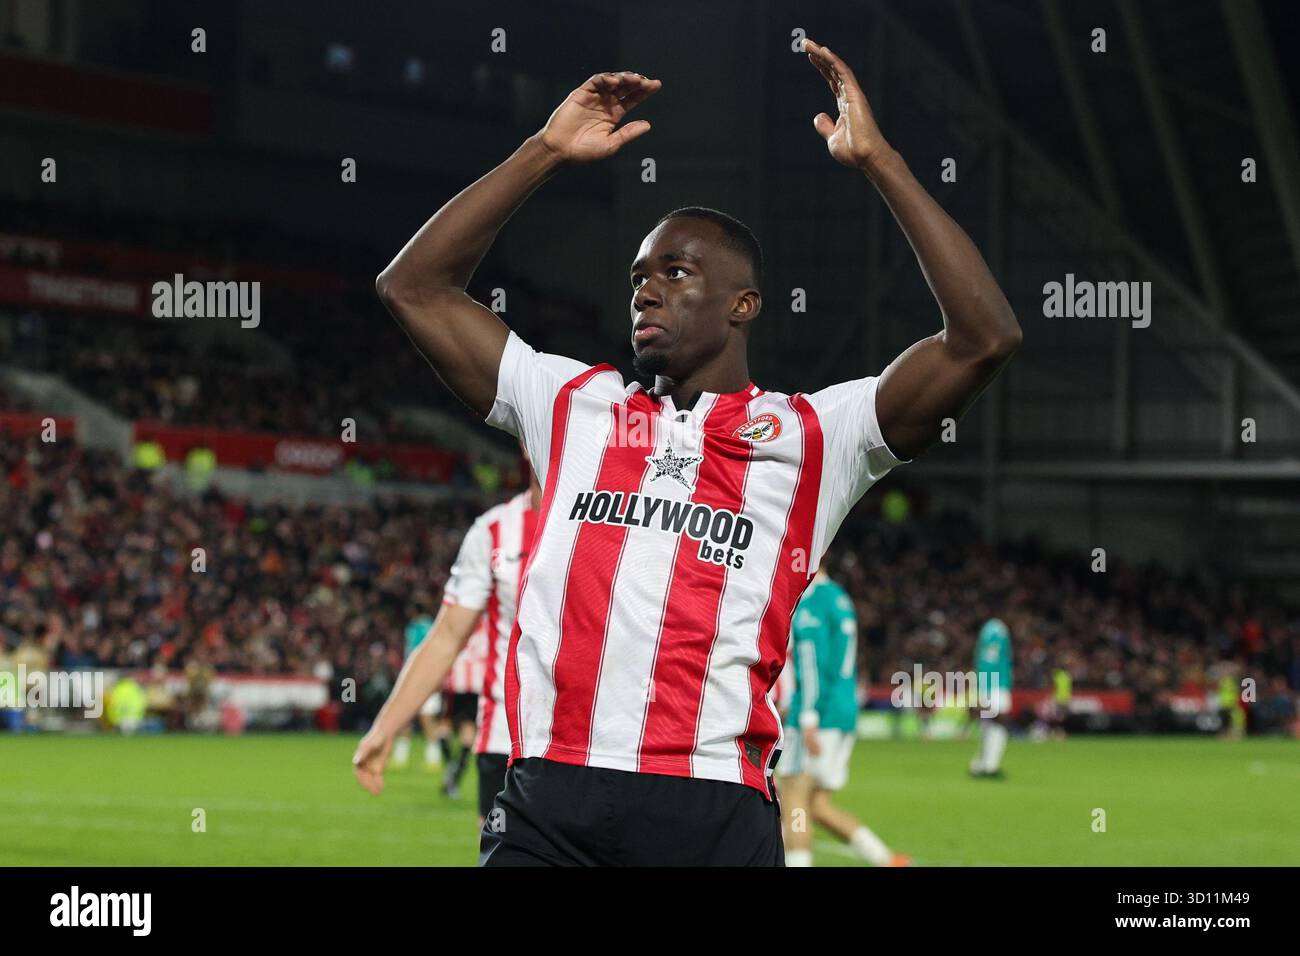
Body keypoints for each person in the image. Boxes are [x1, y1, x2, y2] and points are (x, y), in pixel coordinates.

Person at [371, 38, 1020, 866]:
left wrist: (880, 161)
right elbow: (412, 286)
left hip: (712, 807)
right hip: (550, 797)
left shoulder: (817, 434)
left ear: (743, 303)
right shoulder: (573, 405)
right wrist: (544, 152)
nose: (646, 287)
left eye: (676, 272)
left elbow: (983, 339)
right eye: (639, 274)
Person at [355, 466, 541, 825]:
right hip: (507, 741)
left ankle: (450, 767)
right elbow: (446, 637)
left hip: (600, 749)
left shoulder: (623, 519)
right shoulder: (493, 531)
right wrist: (383, 729)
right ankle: (451, 768)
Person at [778, 562, 909, 867]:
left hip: (817, 714)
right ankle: (886, 859)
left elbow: (813, 665)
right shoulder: (839, 598)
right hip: (843, 713)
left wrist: (809, 717)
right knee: (818, 805)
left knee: (795, 803)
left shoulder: (811, 605)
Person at [969, 616, 1013, 778]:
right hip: (996, 686)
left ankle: (979, 764)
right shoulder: (998, 631)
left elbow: (981, 662)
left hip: (986, 685)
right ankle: (990, 766)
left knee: (987, 727)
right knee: (1000, 726)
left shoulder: (986, 631)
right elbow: (990, 660)